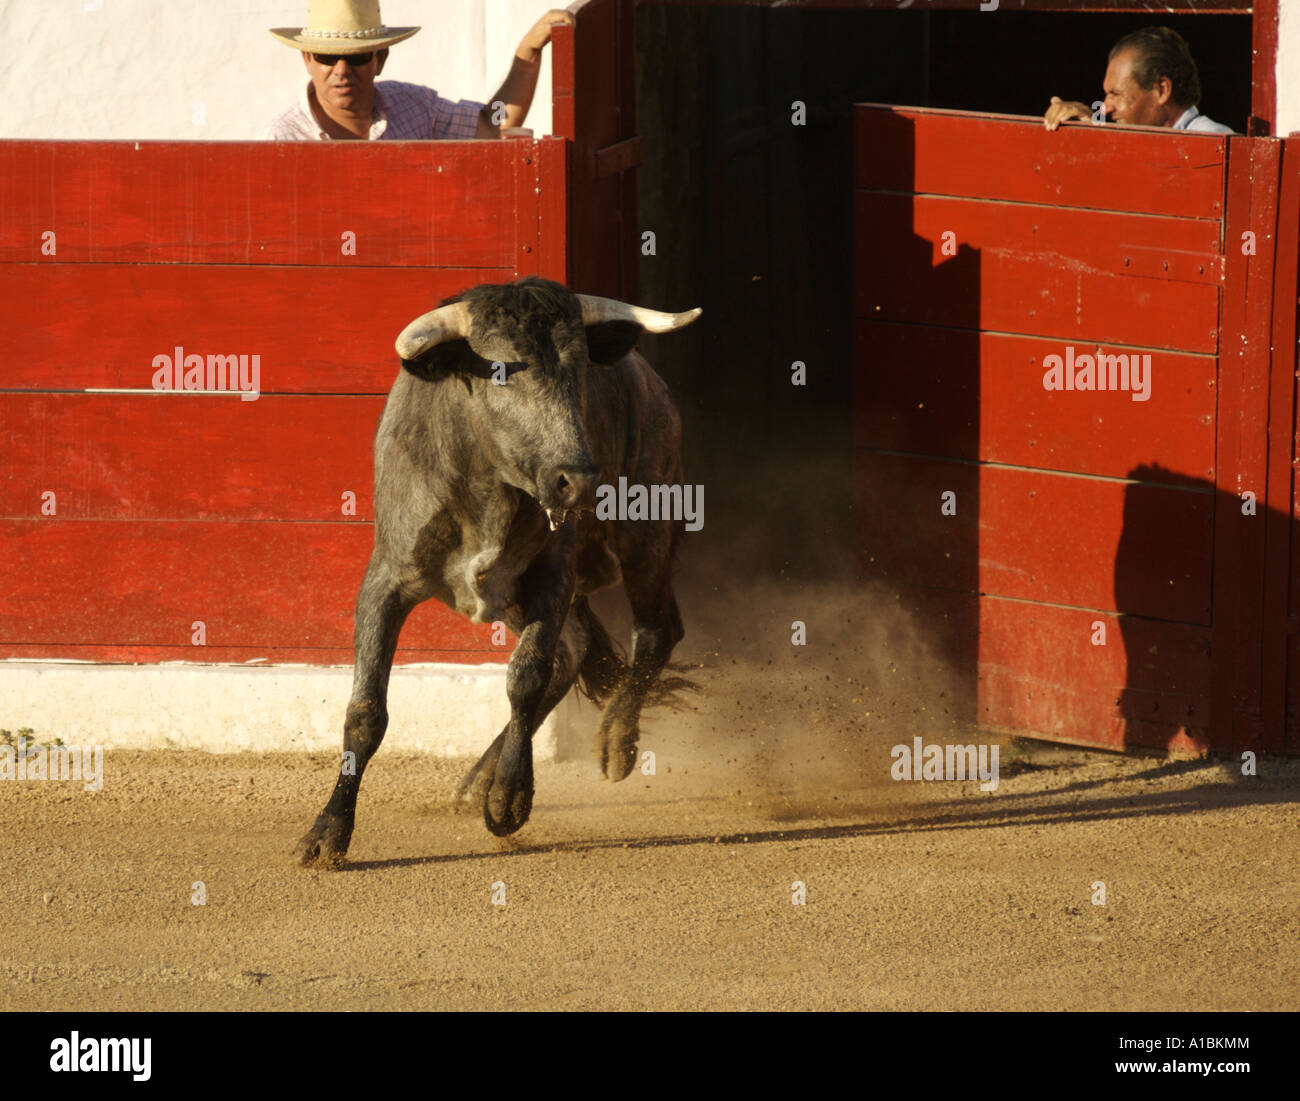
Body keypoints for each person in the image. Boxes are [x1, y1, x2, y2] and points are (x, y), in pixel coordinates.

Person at [260, 0, 573, 141]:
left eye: (356, 58)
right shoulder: (280, 139)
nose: (341, 70)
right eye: (327, 58)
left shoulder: (414, 106)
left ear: (379, 59)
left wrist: (527, 54)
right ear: (307, 60)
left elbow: (494, 124)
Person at [1043, 26, 1233, 134]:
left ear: (1162, 90)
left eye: (1116, 94)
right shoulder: (1142, 135)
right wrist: (1086, 128)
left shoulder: (1213, 139)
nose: (1105, 107)